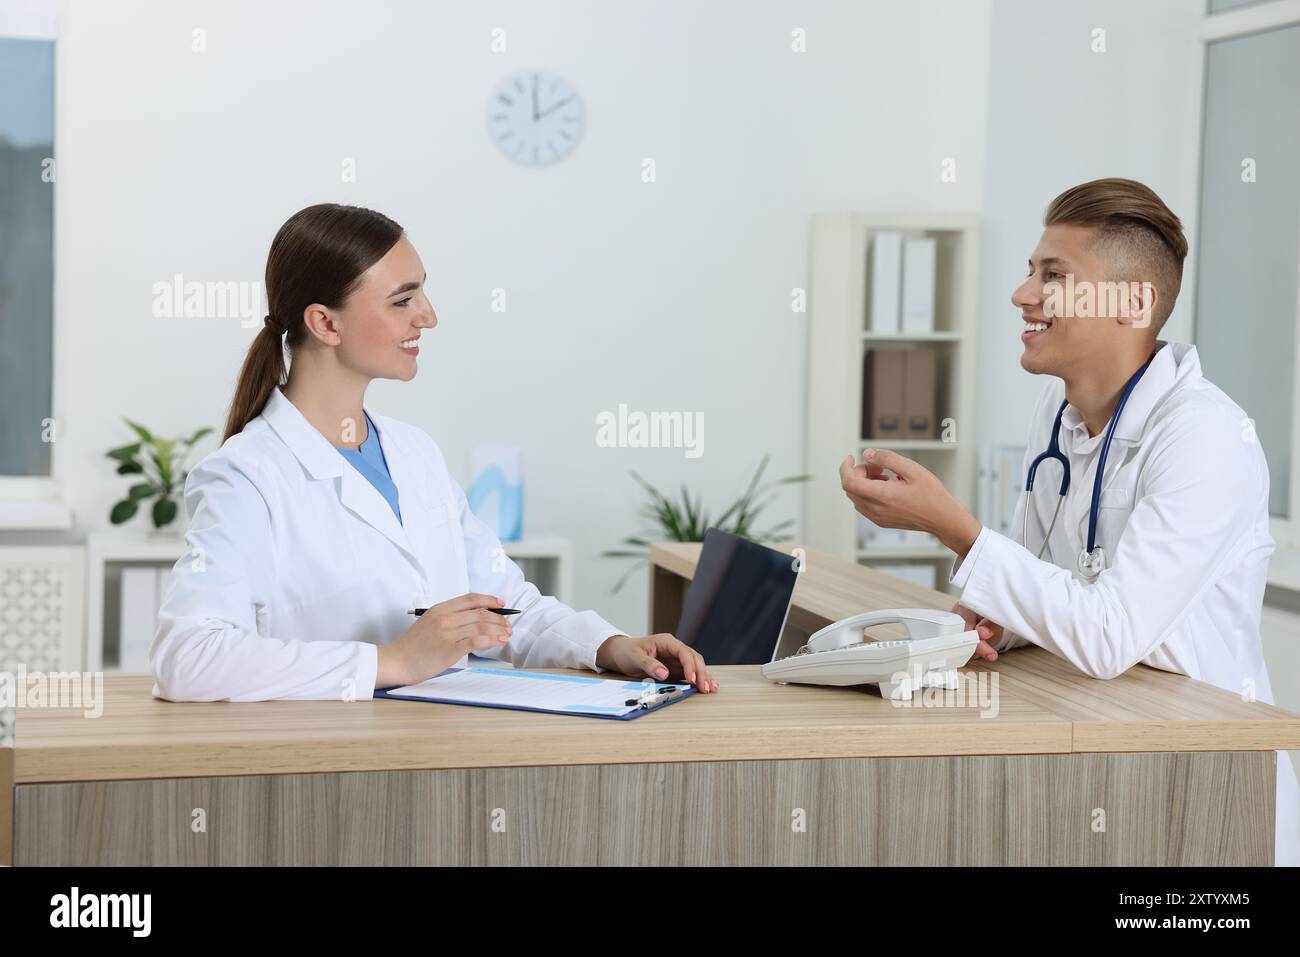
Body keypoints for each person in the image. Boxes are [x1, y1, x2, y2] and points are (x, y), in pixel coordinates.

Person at [839, 178, 1297, 866]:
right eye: (1030, 271)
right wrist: (998, 621)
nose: (1023, 293)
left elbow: (1110, 633)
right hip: (1105, 750)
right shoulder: (1057, 418)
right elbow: (1051, 577)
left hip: (1210, 787)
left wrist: (954, 528)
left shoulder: (1206, 438)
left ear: (1133, 302)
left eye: (1054, 275)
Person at [152, 203, 717, 702]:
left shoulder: (412, 452)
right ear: (325, 323)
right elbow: (190, 658)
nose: (428, 315)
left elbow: (501, 604)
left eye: (421, 290)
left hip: (440, 759)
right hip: (325, 775)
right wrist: (393, 661)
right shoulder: (246, 475)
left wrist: (611, 646)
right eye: (403, 300)